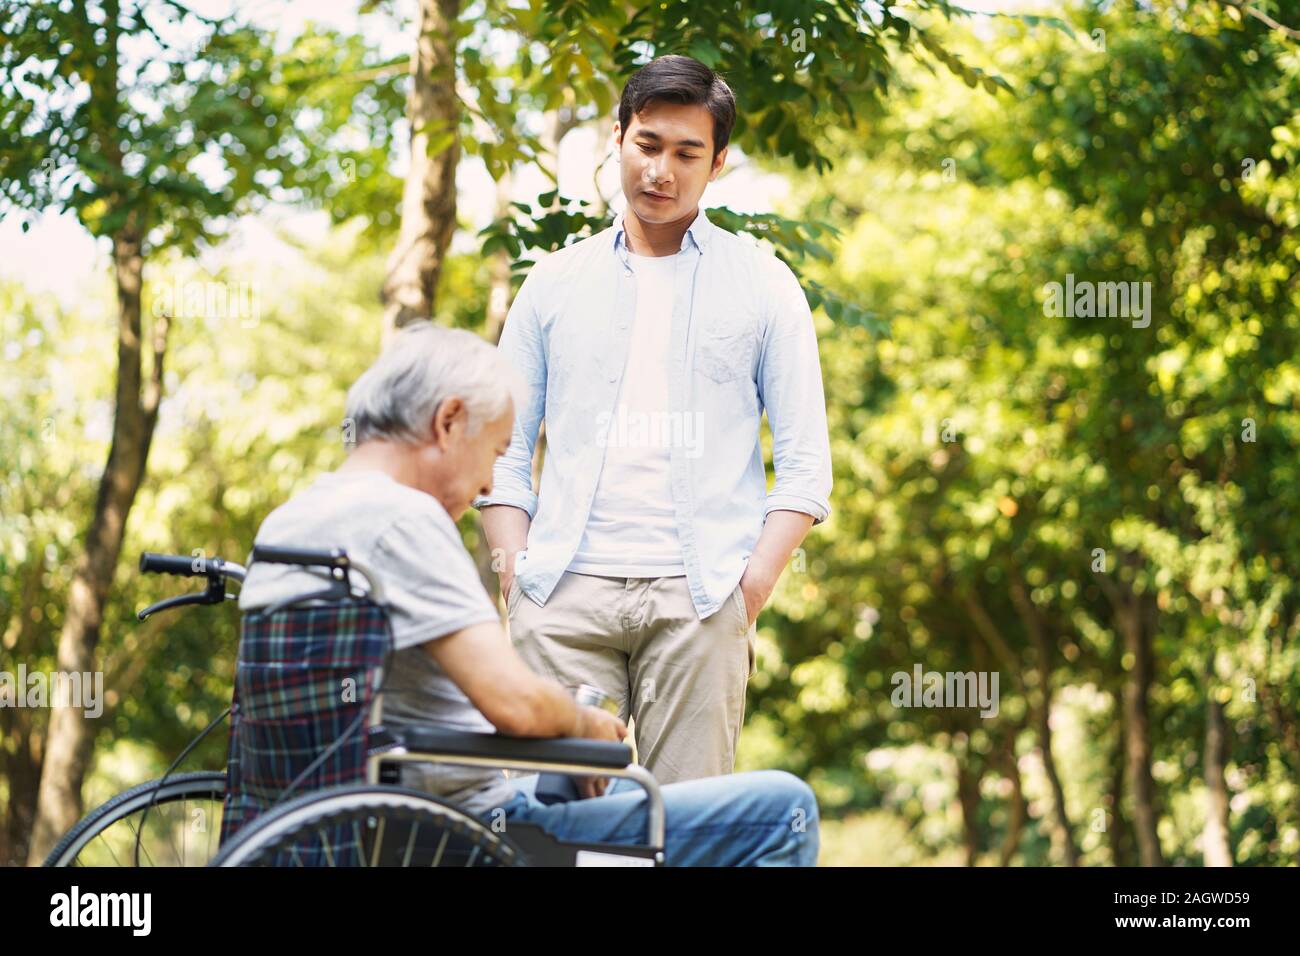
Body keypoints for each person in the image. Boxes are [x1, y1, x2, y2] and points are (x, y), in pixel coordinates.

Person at [238, 323, 819, 866]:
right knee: (784, 809)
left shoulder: (290, 524)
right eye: (493, 451)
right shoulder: (403, 521)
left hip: (348, 824)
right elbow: (513, 704)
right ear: (448, 421)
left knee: (593, 783)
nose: (492, 483)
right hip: (470, 835)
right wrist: (585, 726)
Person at [476, 54, 833, 783]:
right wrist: (518, 578)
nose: (661, 171)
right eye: (647, 145)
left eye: (686, 153)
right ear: (617, 138)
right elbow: (499, 453)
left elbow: (804, 468)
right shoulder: (553, 283)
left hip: (700, 600)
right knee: (546, 834)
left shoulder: (763, 283)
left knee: (686, 833)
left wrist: (748, 591)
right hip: (562, 595)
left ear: (719, 162)